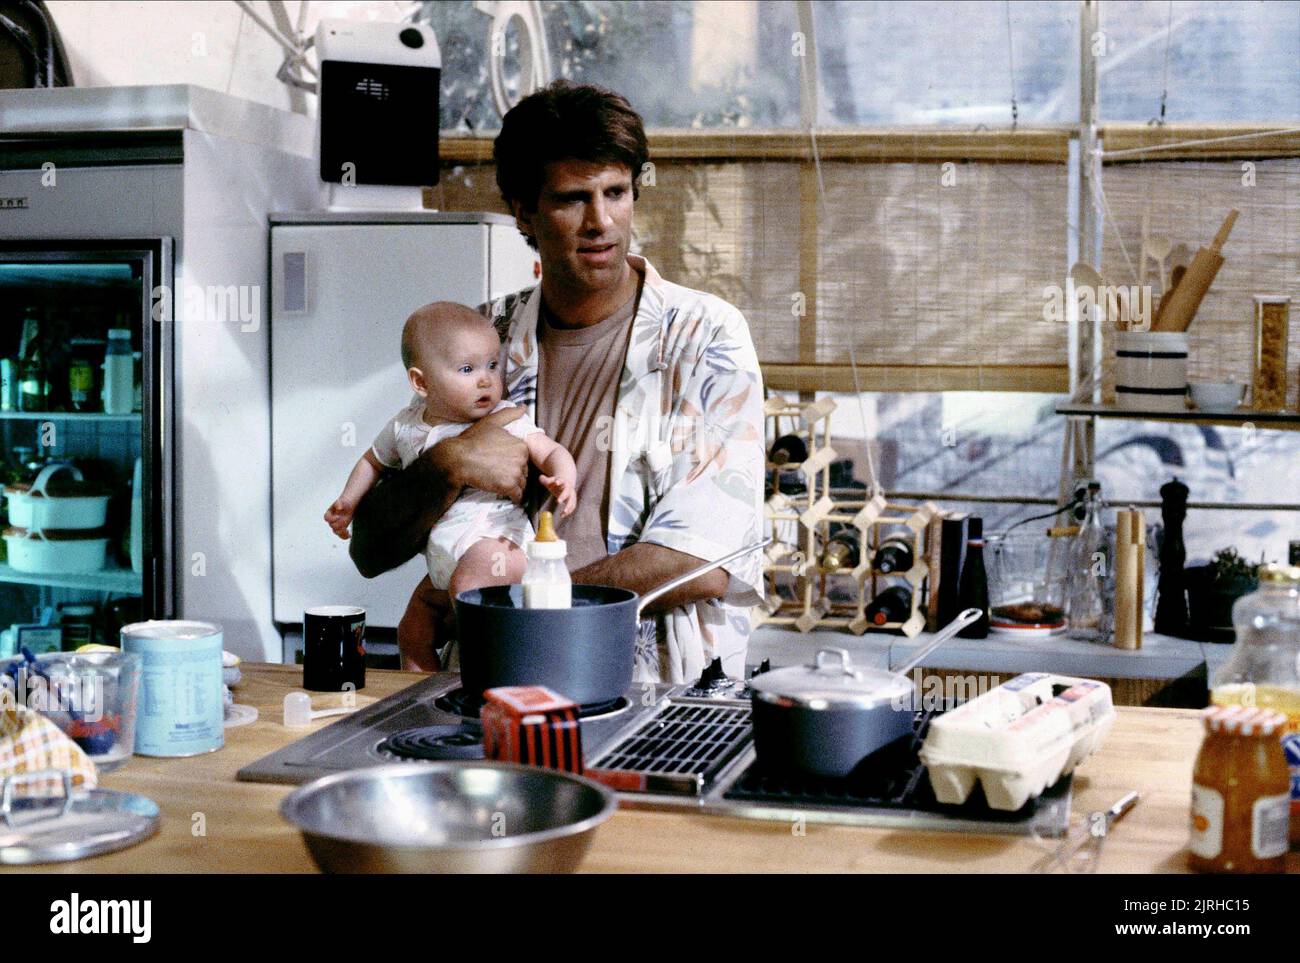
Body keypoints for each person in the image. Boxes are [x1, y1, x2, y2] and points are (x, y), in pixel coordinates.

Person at [349, 80, 765, 684]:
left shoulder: (705, 337)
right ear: (523, 209)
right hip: (494, 684)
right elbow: (370, 549)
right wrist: (451, 463)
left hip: (654, 693)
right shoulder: (480, 337)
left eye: (616, 193)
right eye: (573, 199)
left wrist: (512, 602)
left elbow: (700, 561)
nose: (601, 221)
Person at [324, 302, 576, 605]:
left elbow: (550, 451)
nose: (486, 379)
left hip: (495, 542)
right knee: (416, 632)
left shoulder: (506, 416)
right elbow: (372, 461)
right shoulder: (405, 424)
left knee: (467, 593)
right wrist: (348, 501)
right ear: (421, 383)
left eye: (493, 365)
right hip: (443, 555)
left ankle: (490, 650)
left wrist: (564, 477)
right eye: (468, 369)